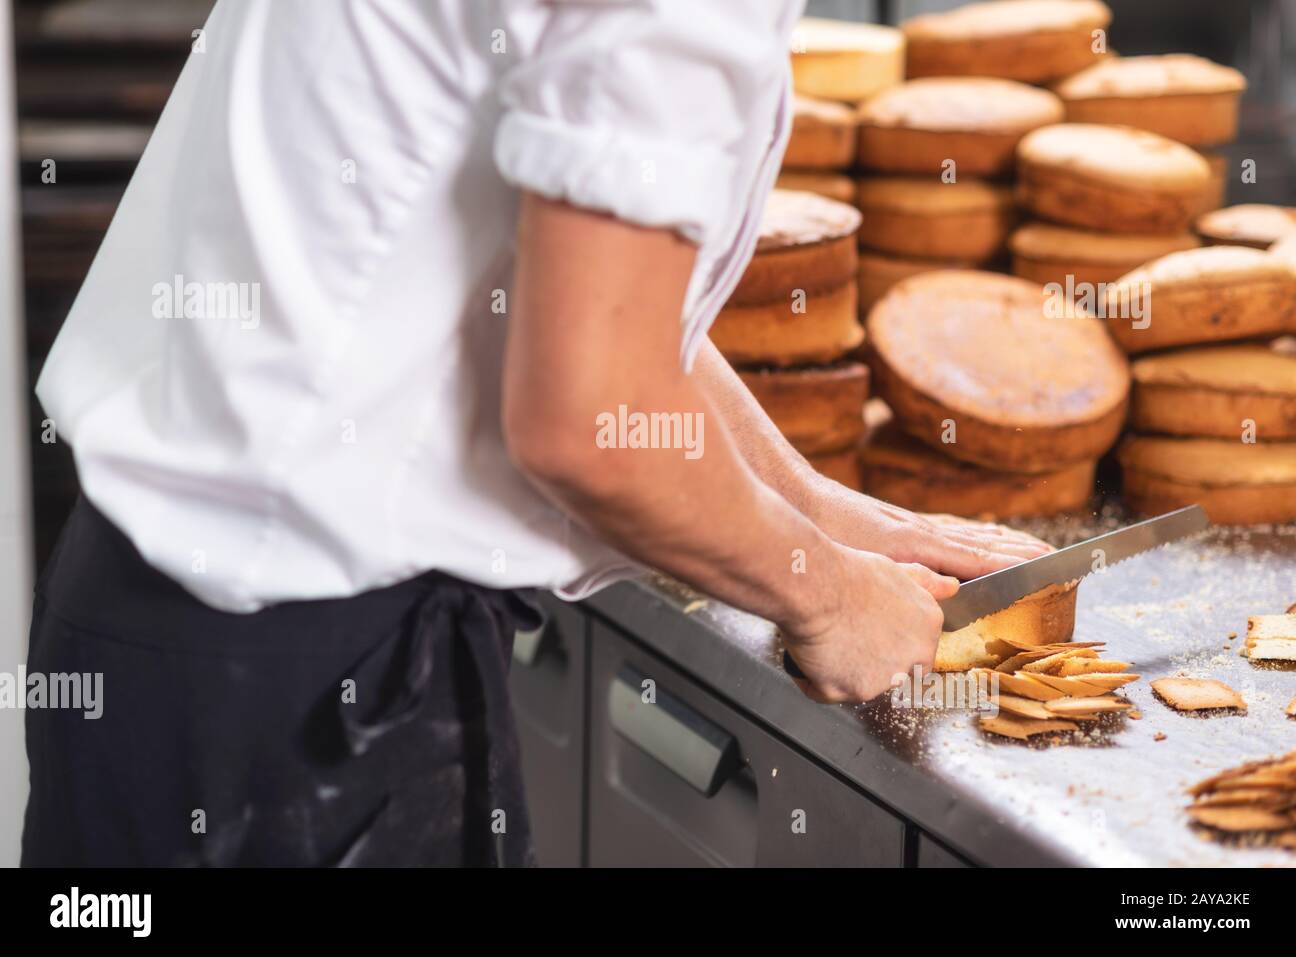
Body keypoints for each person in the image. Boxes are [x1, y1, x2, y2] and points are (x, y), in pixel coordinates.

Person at [22, 0, 1048, 867]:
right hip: (296, 715)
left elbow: (571, 298)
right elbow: (591, 419)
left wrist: (809, 508)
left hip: (174, 634)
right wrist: (825, 596)